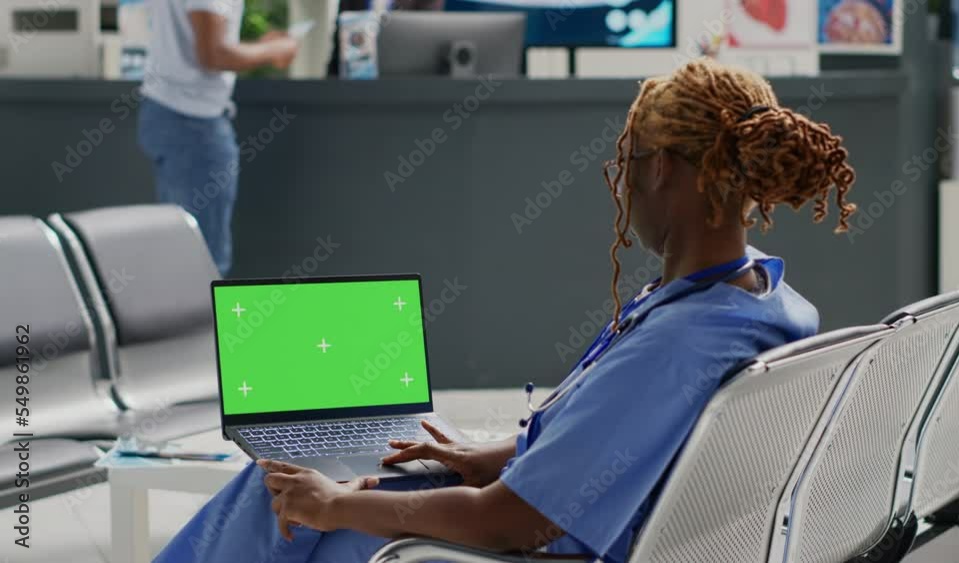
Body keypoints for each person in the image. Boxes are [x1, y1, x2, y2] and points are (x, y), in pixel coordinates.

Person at [154, 58, 857, 563]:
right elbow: (624, 444)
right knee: (320, 491)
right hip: (581, 525)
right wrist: (492, 456)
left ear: (662, 169)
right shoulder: (760, 300)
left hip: (525, 548)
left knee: (281, 495)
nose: (624, 186)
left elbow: (511, 522)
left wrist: (337, 504)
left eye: (628, 162)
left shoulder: (680, 341)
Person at [138, 0, 299, 276]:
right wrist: (275, 50)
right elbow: (212, 54)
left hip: (170, 113)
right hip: (193, 121)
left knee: (182, 253)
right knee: (203, 264)